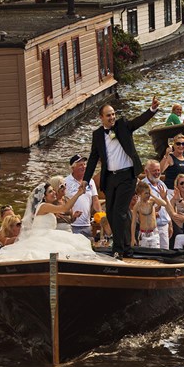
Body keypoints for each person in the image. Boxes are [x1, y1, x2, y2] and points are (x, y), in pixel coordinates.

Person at [82, 98, 160, 257]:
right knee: (110, 213)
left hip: (127, 176)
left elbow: (138, 122)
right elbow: (92, 158)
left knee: (119, 211)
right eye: (108, 115)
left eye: (113, 114)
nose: (112, 117)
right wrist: (85, 179)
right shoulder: (97, 134)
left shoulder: (123, 125)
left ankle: (118, 249)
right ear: (101, 118)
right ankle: (125, 246)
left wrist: (151, 110)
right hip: (110, 178)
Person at [0, 183, 107, 262]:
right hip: (41, 237)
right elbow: (65, 208)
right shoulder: (44, 206)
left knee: (75, 244)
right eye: (50, 191)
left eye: (53, 191)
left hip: (46, 235)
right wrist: (78, 193)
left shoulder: (45, 208)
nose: (54, 193)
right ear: (44, 196)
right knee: (74, 244)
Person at [64, 154, 101, 237]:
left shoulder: (90, 181)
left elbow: (95, 200)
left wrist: (100, 214)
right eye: (80, 165)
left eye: (84, 164)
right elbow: (61, 201)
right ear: (73, 168)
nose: (84, 167)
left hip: (87, 225)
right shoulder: (65, 182)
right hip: (71, 225)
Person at [142, 159, 172, 248]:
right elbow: (139, 206)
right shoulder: (142, 186)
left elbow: (168, 205)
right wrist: (153, 211)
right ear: (146, 171)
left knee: (165, 254)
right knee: (152, 256)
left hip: (164, 226)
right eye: (154, 170)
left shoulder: (162, 184)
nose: (157, 173)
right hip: (150, 228)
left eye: (159, 170)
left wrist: (170, 223)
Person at [132, 182, 162, 248]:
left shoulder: (152, 201)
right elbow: (133, 223)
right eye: (146, 193)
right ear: (139, 194)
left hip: (154, 234)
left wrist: (153, 195)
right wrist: (132, 238)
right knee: (143, 257)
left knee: (155, 256)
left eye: (149, 193)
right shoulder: (137, 206)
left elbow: (163, 203)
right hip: (143, 235)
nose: (148, 195)